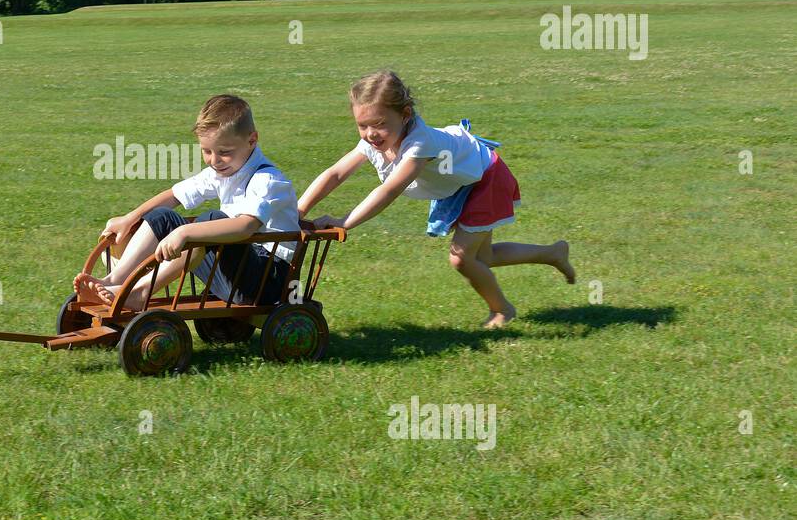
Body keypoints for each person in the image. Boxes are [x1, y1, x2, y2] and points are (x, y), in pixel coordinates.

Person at [298, 70, 574, 328]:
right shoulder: (374, 141)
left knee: (462, 259)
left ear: (405, 114)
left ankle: (502, 310)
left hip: (486, 178)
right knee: (484, 257)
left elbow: (389, 190)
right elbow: (336, 173)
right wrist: (299, 209)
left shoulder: (420, 144)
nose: (371, 134)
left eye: (380, 124)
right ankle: (553, 253)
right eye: (362, 125)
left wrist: (344, 222)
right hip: (460, 182)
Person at [75, 95, 300, 311]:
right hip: (233, 273)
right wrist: (130, 218)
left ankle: (140, 293)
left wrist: (185, 232)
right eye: (207, 151)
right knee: (164, 216)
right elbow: (175, 195)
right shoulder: (223, 171)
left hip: (268, 281)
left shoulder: (267, 179)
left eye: (224, 152)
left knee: (211, 221)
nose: (214, 160)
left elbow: (245, 226)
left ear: (252, 140)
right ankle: (116, 280)